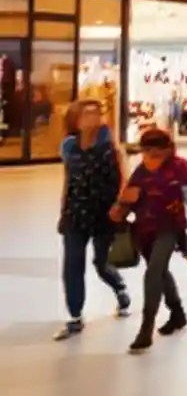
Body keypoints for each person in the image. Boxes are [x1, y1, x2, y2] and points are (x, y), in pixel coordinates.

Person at [111, 129, 187, 353]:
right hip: (143, 230)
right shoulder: (140, 171)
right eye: (146, 151)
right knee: (159, 271)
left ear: (166, 149)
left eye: (154, 152)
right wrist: (118, 209)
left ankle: (146, 327)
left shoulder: (180, 167)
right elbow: (128, 200)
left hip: (170, 228)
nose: (149, 156)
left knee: (153, 272)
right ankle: (177, 312)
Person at [55, 100, 131, 341]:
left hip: (104, 214)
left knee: (101, 263)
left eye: (96, 114)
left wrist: (121, 207)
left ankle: (119, 287)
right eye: (86, 114)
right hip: (76, 214)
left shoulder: (111, 148)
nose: (92, 118)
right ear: (75, 119)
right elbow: (68, 181)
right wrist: (62, 211)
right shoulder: (69, 147)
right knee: (72, 264)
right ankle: (75, 316)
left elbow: (125, 179)